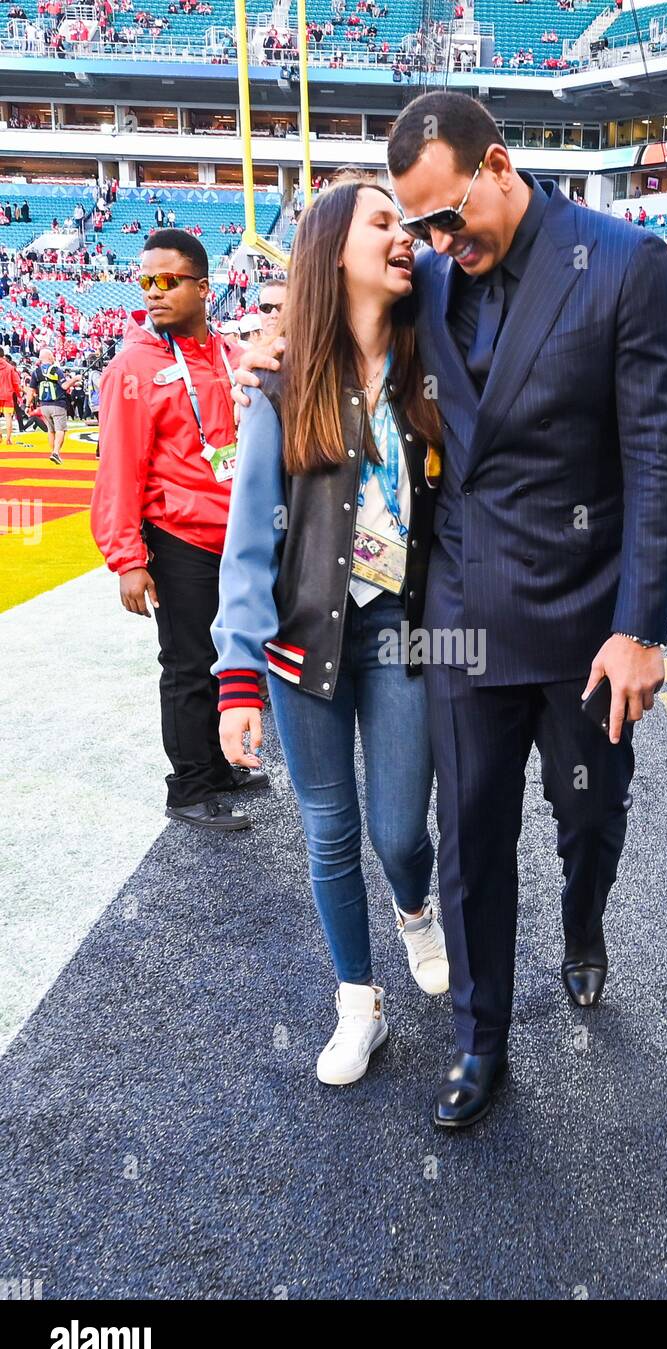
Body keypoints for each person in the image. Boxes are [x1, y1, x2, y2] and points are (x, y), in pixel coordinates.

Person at [235, 93, 667, 1127]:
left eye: (448, 216)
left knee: (589, 816)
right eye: (419, 224)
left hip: (589, 627)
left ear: (496, 165)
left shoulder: (626, 263)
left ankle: (585, 920)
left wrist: (641, 627)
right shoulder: (431, 279)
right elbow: (329, 316)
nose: (437, 241)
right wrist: (263, 351)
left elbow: (660, 460)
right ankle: (482, 1040)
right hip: (459, 613)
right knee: (467, 836)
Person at [212, 177, 449, 1085]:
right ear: (331, 253)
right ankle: (359, 1004)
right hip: (300, 640)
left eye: (405, 225)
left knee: (398, 831)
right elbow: (247, 540)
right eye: (382, 224)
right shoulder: (278, 378)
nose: (403, 238)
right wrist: (235, 677)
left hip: (403, 631)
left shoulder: (436, 364)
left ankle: (415, 909)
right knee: (327, 828)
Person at [90, 230, 264, 832]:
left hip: (236, 537)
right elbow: (117, 468)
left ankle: (219, 764)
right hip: (178, 537)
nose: (153, 294)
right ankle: (189, 787)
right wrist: (127, 558)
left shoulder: (224, 354)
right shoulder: (133, 366)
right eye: (145, 282)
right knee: (189, 663)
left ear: (203, 287)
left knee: (230, 655)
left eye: (167, 281)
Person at [27, 347, 75, 464]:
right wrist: (75, 379)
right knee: (60, 430)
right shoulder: (56, 370)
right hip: (58, 403)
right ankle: (56, 452)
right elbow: (64, 386)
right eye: (52, 355)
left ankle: (53, 452)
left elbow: (31, 390)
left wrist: (28, 405)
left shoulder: (36, 372)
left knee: (50, 430)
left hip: (44, 405)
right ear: (49, 357)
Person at [0, 345, 22, 444]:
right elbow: (16, 383)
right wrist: (19, 395)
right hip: (8, 395)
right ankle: (8, 439)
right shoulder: (10, 367)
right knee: (8, 417)